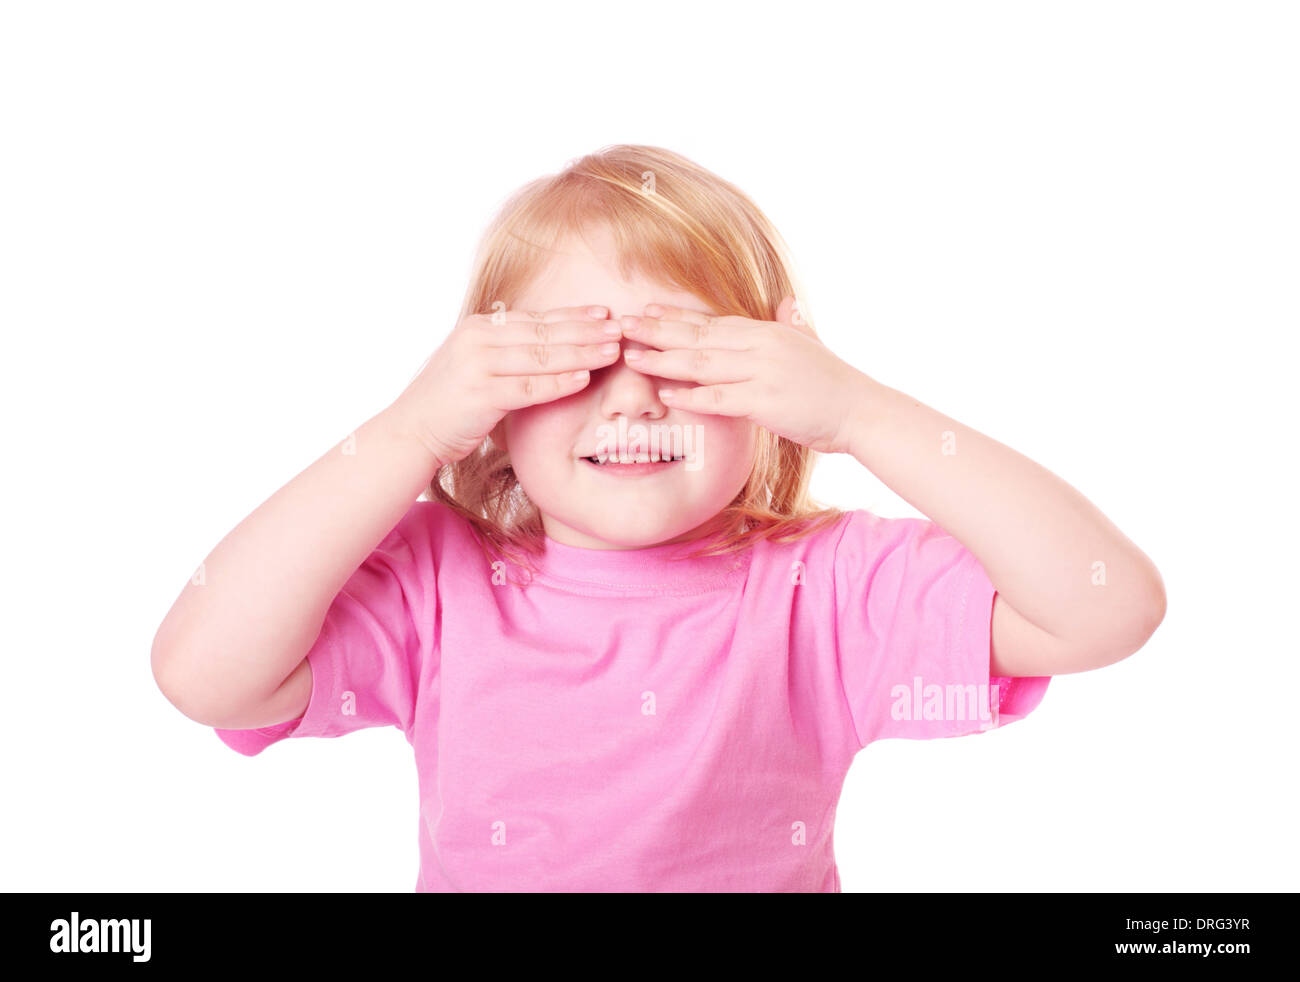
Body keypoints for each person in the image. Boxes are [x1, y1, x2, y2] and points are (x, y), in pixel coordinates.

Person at [151, 144, 1166, 892]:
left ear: (771, 393)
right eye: (576, 362)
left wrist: (861, 411)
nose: (632, 400)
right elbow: (204, 675)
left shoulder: (821, 589)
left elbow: (1103, 607)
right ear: (494, 413)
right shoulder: (441, 579)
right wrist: (407, 432)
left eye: (685, 360)